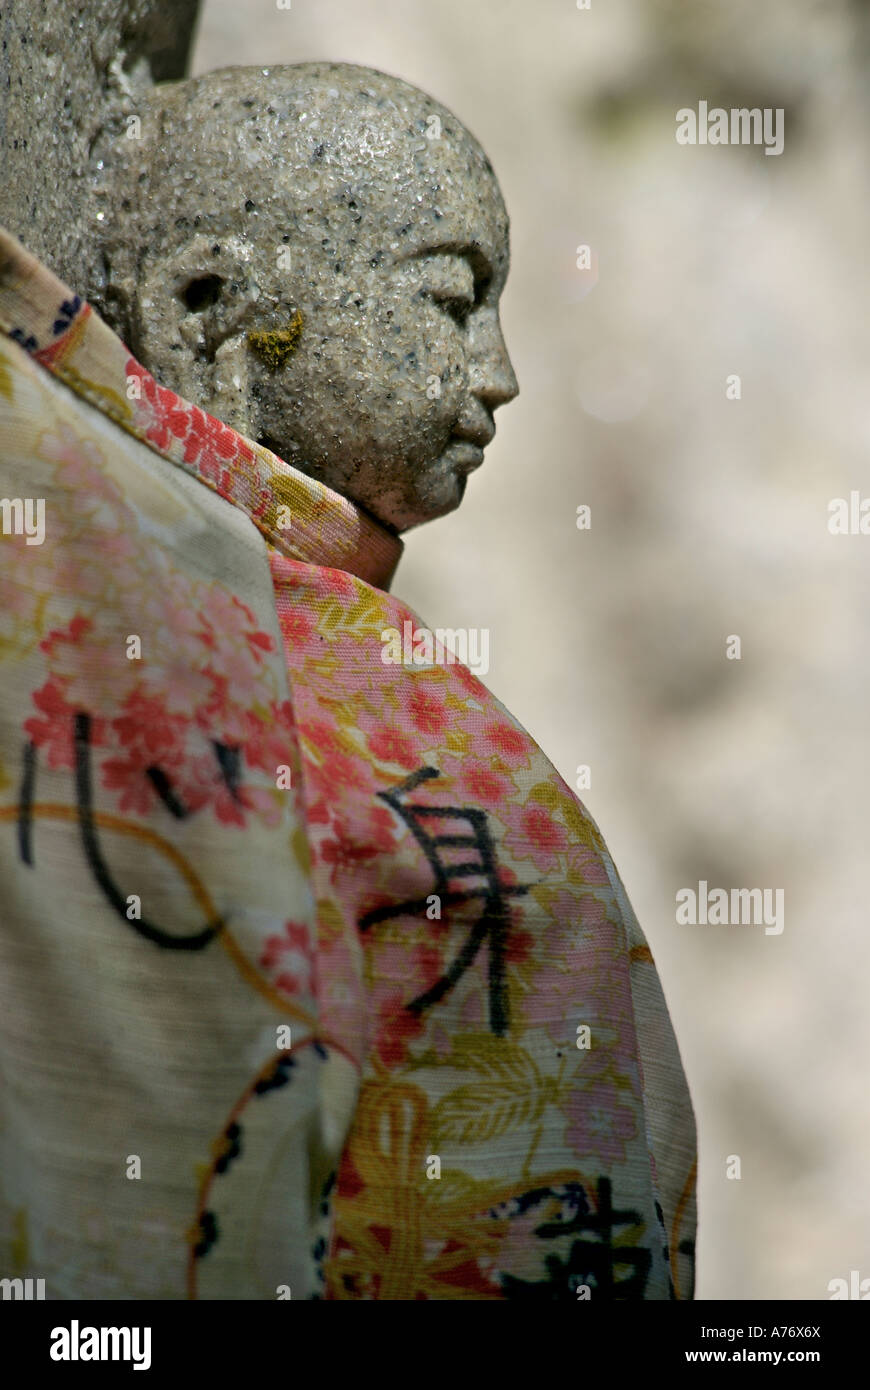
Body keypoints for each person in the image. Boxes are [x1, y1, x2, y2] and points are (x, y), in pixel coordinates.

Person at [0, 62, 696, 1299]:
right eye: (449, 301)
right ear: (205, 305)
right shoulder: (136, 588)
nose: (500, 375)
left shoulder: (298, 625)